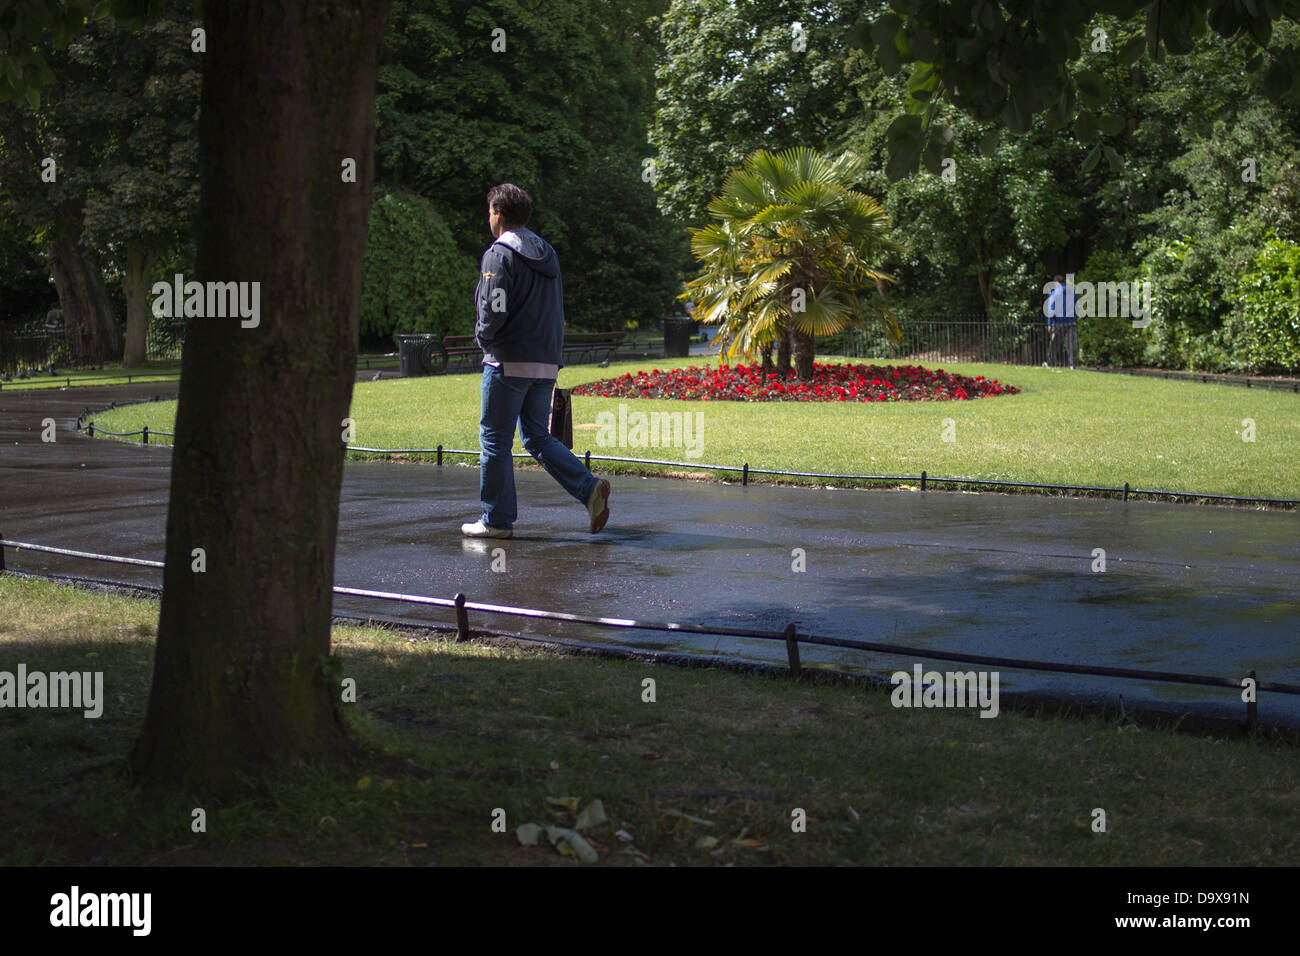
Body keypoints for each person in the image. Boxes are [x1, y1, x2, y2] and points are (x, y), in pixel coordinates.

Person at [461, 183, 610, 539]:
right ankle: (588, 488)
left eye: (490, 212)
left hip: (507, 362)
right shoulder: (547, 252)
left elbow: (493, 307)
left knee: (495, 440)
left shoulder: (498, 254)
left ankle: (496, 521)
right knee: (537, 437)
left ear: (498, 213)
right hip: (544, 362)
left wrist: (484, 337)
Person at [1043, 274, 1077, 369]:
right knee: (1071, 345)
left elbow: (1051, 309)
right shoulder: (1072, 292)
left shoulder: (1055, 293)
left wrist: (1049, 323)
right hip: (1071, 321)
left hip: (1058, 322)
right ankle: (1073, 365)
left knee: (1054, 344)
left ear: (1056, 283)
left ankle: (1050, 362)